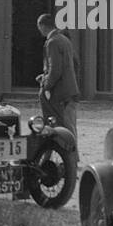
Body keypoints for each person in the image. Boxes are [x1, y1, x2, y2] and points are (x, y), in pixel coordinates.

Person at [36, 12, 79, 142]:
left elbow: (55, 70)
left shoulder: (52, 42)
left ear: (42, 26)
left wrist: (45, 84)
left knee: (62, 128)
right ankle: (72, 159)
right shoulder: (64, 39)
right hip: (70, 91)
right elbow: (71, 65)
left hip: (61, 93)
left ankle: (70, 160)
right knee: (70, 127)